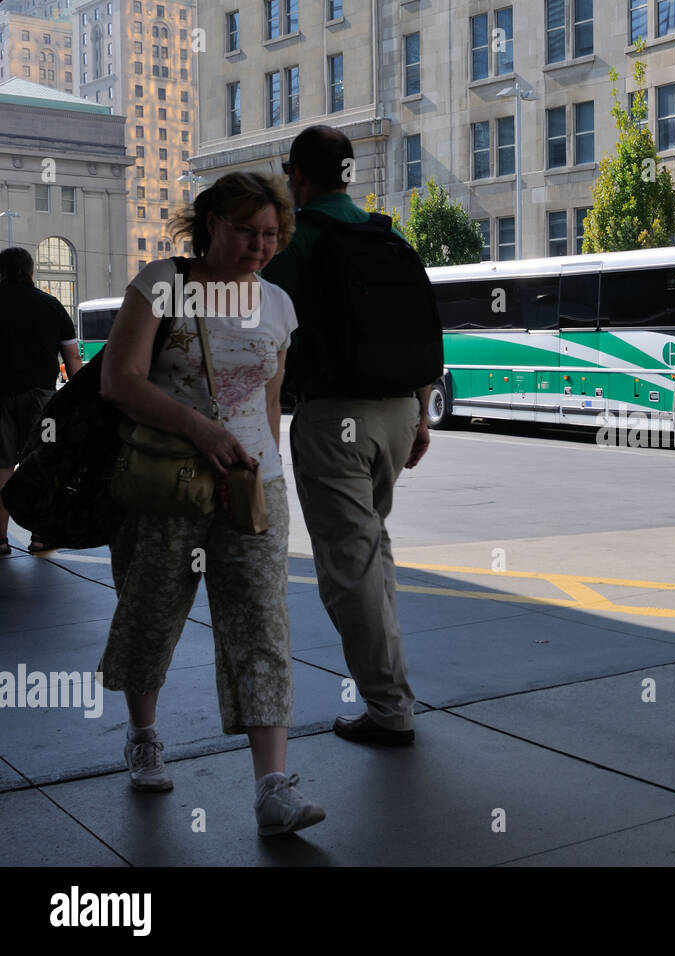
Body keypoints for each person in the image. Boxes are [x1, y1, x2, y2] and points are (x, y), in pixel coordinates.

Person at [98, 172, 325, 837]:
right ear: (211, 224)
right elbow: (119, 380)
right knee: (152, 612)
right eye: (245, 231)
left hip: (253, 487)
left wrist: (268, 466)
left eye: (270, 234)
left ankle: (272, 787)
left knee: (263, 626)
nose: (259, 246)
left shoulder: (279, 304)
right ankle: (143, 736)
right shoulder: (162, 283)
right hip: (166, 483)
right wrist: (202, 430)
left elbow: (269, 399)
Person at [261, 125, 432, 747]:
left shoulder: (298, 245)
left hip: (336, 418)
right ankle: (394, 695)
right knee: (372, 548)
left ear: (297, 177)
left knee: (350, 566)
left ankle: (390, 710)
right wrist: (420, 411)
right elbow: (412, 330)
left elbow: (263, 341)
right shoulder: (387, 237)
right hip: (398, 413)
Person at [0, 247, 83, 556]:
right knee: (41, 465)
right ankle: (39, 537)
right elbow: (72, 359)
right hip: (42, 400)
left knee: (2, 467)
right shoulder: (51, 305)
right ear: (31, 271)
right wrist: (82, 399)